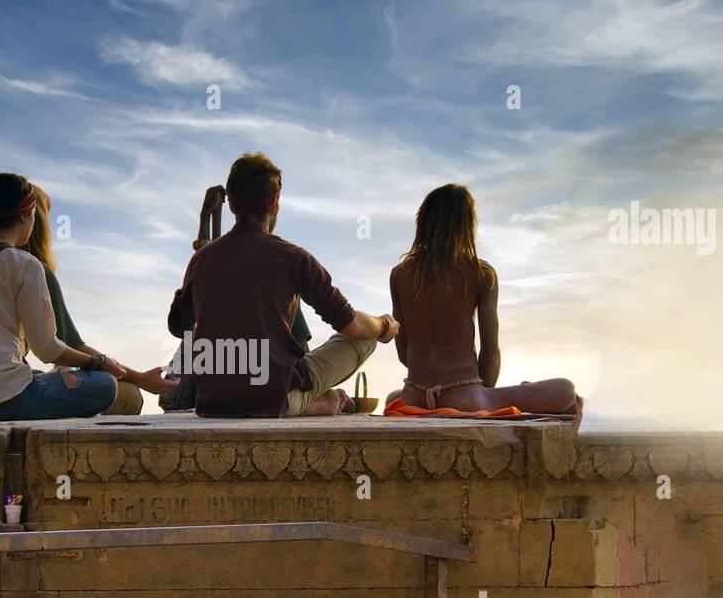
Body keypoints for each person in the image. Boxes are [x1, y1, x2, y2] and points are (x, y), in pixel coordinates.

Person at [167, 152, 398, 417]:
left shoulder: (202, 259)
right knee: (364, 339)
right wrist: (383, 326)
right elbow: (351, 325)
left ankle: (307, 399)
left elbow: (178, 326)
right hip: (270, 396)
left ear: (232, 205)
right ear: (274, 203)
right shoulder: (293, 257)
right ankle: (306, 401)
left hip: (213, 401)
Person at [0, 173, 124, 422]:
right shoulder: (26, 264)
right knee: (105, 385)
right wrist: (98, 361)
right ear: (25, 216)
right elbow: (47, 348)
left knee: (37, 375)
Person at [387, 183, 580, 419]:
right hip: (465, 397)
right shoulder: (480, 273)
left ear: (423, 221)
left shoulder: (399, 274)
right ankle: (515, 392)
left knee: (392, 397)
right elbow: (490, 354)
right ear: (466, 224)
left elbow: (404, 353)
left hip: (414, 395)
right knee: (565, 389)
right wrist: (481, 393)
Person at [21, 185, 177, 414]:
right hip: (10, 389)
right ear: (34, 221)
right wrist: (139, 378)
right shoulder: (35, 269)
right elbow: (66, 346)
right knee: (128, 395)